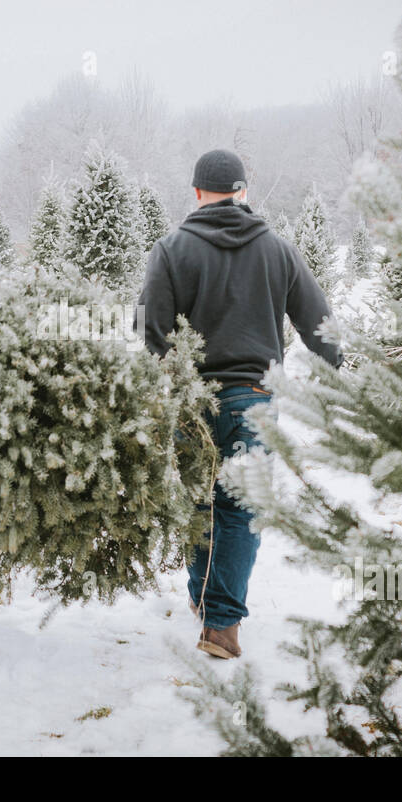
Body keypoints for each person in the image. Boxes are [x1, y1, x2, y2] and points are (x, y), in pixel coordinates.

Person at [137, 148, 342, 659]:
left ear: (198, 192)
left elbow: (149, 328)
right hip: (254, 401)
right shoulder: (278, 249)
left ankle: (203, 598)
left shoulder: (171, 249)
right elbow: (319, 322)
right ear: (243, 191)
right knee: (240, 508)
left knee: (198, 503)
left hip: (191, 402)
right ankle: (221, 625)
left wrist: (171, 374)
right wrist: (334, 369)